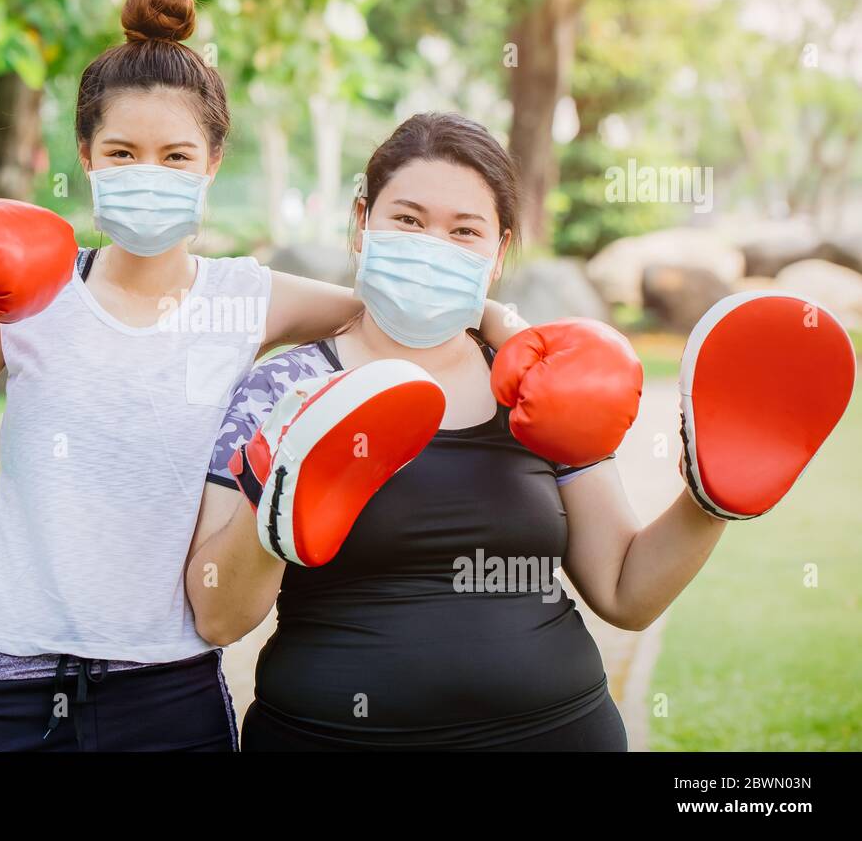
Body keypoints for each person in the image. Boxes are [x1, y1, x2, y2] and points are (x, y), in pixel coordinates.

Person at [0, 0, 526, 751]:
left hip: (170, 683)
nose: (148, 173)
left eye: (175, 156)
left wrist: (501, 320)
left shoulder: (247, 298)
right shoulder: (31, 297)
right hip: (10, 674)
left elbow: (385, 302)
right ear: (87, 158)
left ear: (211, 163)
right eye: (123, 153)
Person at [188, 110, 763, 751]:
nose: (433, 246)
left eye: (465, 231)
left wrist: (709, 499)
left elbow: (626, 592)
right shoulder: (284, 386)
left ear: (498, 253)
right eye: (408, 220)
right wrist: (274, 487)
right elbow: (217, 615)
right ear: (361, 225)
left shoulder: (539, 389)